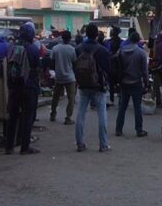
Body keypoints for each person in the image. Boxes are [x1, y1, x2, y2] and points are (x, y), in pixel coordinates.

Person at [4, 23, 41, 155]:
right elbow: (37, 67)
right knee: (27, 117)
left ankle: (9, 147)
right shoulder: (33, 49)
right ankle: (25, 147)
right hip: (28, 87)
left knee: (12, 117)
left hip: (14, 87)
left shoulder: (12, 47)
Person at [74, 23, 112, 152]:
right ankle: (103, 144)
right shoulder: (102, 50)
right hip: (98, 86)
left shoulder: (78, 48)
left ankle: (79, 143)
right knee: (102, 115)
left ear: (86, 33)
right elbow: (108, 69)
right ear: (97, 34)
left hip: (83, 85)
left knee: (80, 114)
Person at [115, 32, 149, 137]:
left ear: (129, 39)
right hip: (136, 82)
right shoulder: (141, 53)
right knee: (137, 107)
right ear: (138, 40)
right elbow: (144, 71)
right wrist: (146, 83)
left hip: (124, 82)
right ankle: (139, 130)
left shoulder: (121, 51)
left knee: (122, 107)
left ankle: (118, 129)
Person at [50, 31, 77, 125]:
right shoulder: (72, 49)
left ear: (62, 38)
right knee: (71, 98)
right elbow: (74, 63)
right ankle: (68, 118)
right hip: (70, 77)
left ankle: (53, 114)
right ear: (69, 39)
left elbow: (52, 61)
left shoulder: (55, 48)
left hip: (59, 77)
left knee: (55, 97)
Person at [105, 27, 123, 105]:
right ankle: (115, 99)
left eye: (113, 31)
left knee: (115, 82)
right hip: (113, 63)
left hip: (116, 63)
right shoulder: (109, 41)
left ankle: (116, 99)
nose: (112, 33)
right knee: (114, 82)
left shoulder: (120, 42)